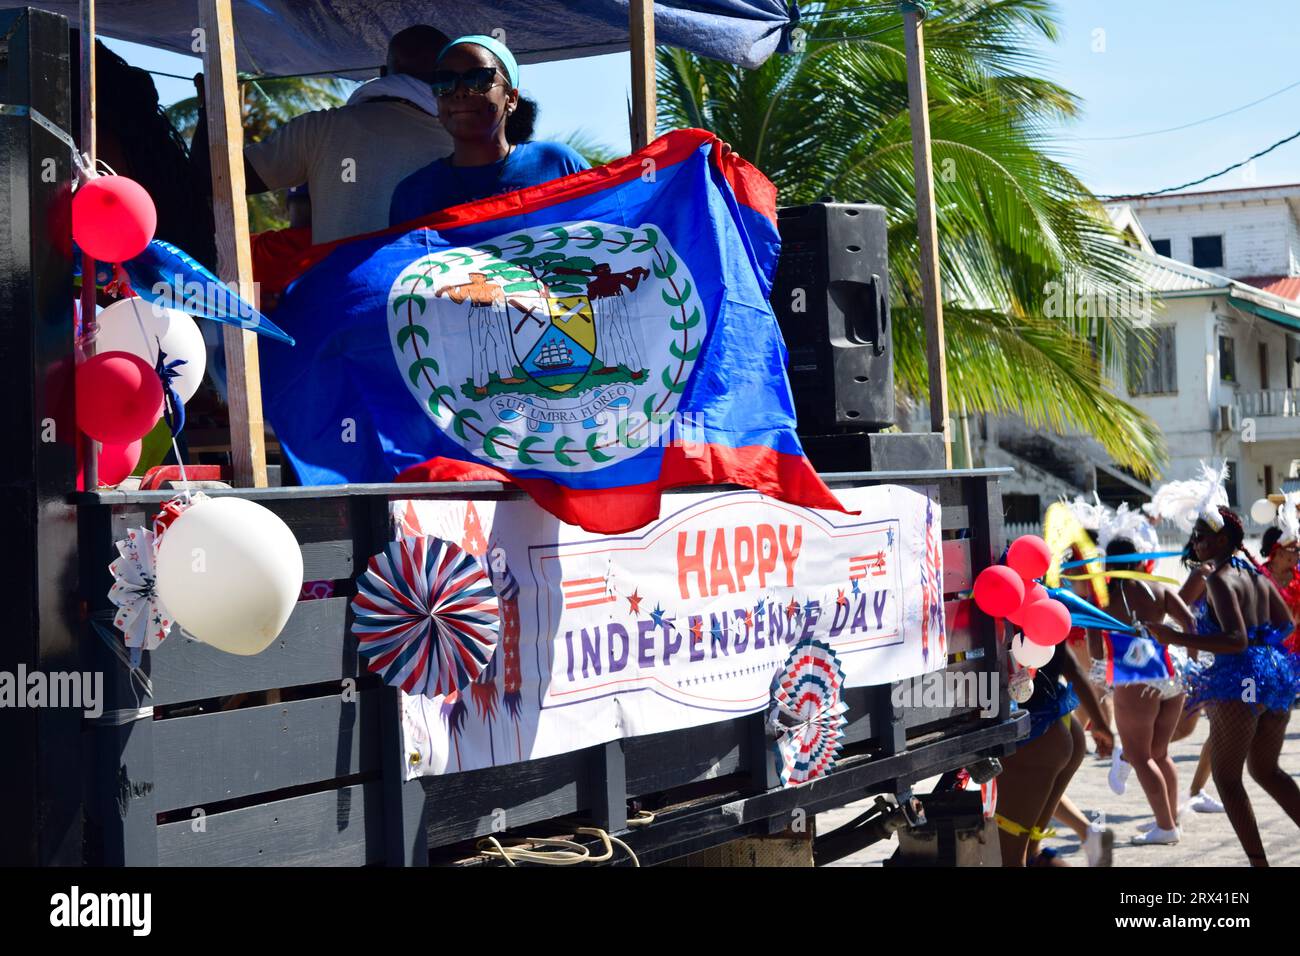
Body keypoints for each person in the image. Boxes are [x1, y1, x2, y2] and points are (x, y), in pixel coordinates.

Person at [1144, 465, 1300, 866]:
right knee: (1267, 772)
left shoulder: (1214, 578)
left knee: (1228, 781)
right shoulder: (1255, 576)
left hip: (1237, 682)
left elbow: (1235, 640)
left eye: (1201, 536)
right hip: (1274, 679)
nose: (1195, 543)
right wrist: (1258, 646)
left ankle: (1258, 864)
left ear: (1222, 539)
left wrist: (1175, 638)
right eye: (1194, 536)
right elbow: (1283, 625)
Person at [194, 24, 455, 244]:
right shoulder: (465, 140)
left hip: (338, 297)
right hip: (421, 299)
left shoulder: (318, 129)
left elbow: (212, 177)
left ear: (383, 74)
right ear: (446, 79)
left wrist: (210, 106)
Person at [389, 35, 589, 225]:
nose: (459, 92)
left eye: (477, 79)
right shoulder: (413, 194)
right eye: (444, 81)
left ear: (511, 99)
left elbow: (608, 238)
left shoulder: (557, 164)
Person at [1084, 506, 1196, 846]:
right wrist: (1191, 665)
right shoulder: (1157, 588)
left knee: (1141, 755)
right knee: (1159, 754)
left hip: (1135, 679)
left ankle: (1166, 827)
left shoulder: (1102, 596)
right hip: (1171, 675)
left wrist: (1107, 667)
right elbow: (1190, 622)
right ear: (1137, 561)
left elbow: (1095, 652)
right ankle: (1170, 818)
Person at [997, 643, 1114, 867]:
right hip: (1064, 727)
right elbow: (1072, 667)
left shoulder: (999, 615)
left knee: (1011, 859)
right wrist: (1099, 723)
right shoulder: (1043, 608)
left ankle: (1089, 833)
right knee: (1033, 857)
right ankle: (1089, 833)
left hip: (1033, 738)